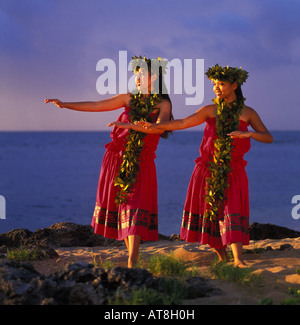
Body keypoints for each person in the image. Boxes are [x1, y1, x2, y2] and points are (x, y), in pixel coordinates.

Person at [111, 64, 273, 267]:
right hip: (207, 170)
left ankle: (238, 259)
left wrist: (250, 133)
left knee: (231, 210)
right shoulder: (209, 110)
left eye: (221, 84)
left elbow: (268, 137)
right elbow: (181, 123)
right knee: (211, 216)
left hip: (234, 171)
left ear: (234, 85)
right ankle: (223, 258)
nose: (216, 88)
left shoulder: (248, 113)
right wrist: (155, 126)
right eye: (214, 84)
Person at [45, 56, 173, 268]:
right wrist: (65, 104)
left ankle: (133, 258)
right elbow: (96, 105)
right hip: (116, 159)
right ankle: (132, 255)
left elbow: (161, 128)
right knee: (122, 206)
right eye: (136, 74)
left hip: (142, 160)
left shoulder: (162, 104)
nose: (138, 78)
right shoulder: (128, 98)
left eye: (142, 73)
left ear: (155, 76)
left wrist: (132, 125)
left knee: (136, 205)